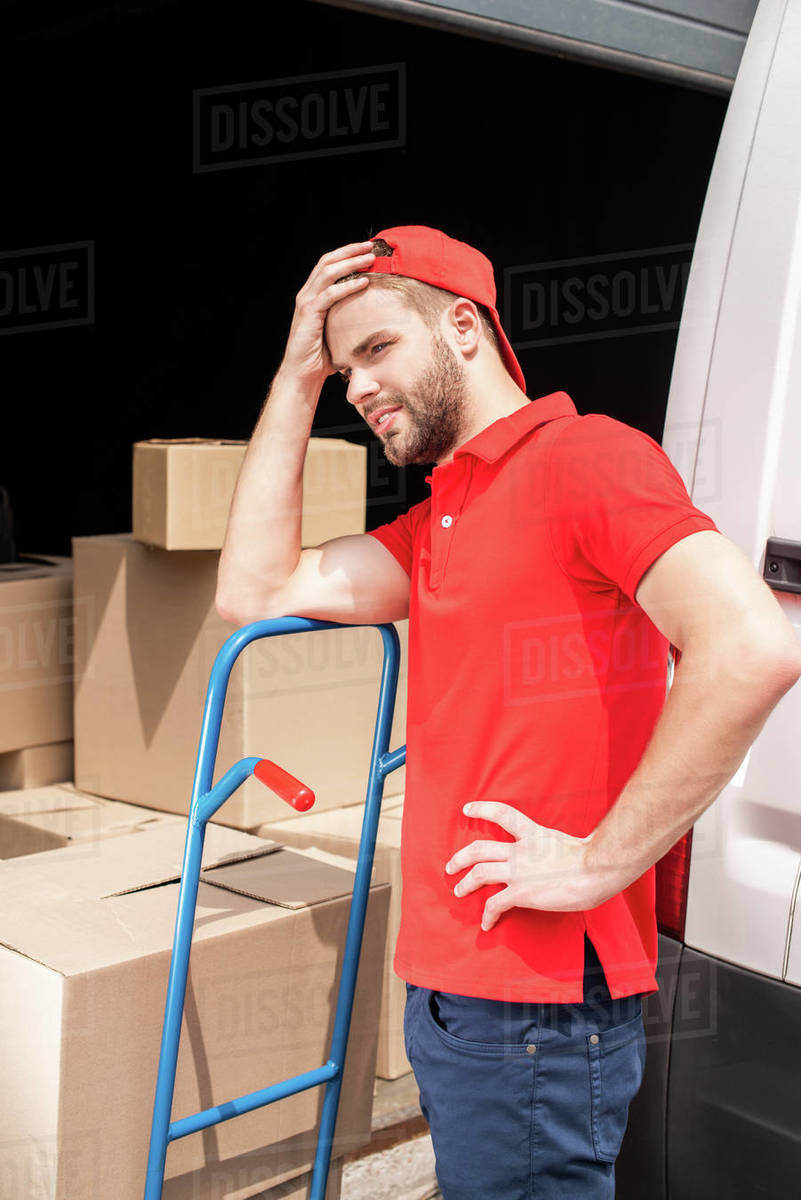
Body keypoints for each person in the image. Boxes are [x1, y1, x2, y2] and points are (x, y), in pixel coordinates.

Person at [216, 225, 801, 1198]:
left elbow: (751, 647)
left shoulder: (587, 460)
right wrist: (294, 374)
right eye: (341, 364)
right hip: (456, 1000)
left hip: (536, 1014)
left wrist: (599, 860)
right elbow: (254, 588)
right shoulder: (440, 518)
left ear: (462, 326)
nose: (356, 385)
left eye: (375, 349)